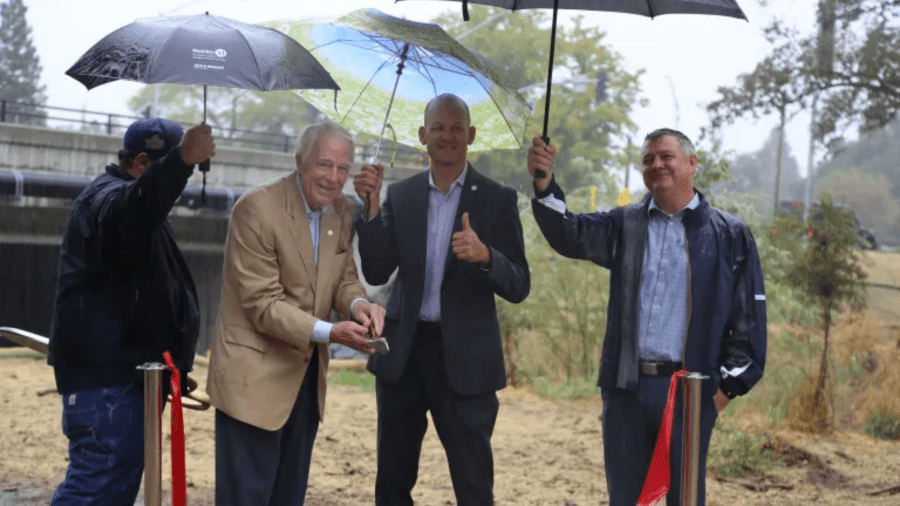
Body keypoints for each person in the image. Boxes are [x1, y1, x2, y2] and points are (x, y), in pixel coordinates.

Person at [527, 128, 767, 506]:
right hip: (626, 387)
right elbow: (569, 233)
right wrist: (545, 184)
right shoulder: (626, 224)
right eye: (648, 159)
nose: (657, 165)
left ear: (692, 163)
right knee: (626, 498)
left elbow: (750, 322)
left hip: (690, 391)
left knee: (684, 499)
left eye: (666, 156)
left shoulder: (729, 234)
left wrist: (720, 394)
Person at [353, 93, 530, 506]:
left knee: (473, 485)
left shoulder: (497, 198)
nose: (446, 136)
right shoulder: (401, 195)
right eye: (438, 128)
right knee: (392, 484)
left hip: (467, 365)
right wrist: (371, 207)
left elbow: (520, 284)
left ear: (470, 135)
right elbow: (377, 271)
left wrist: (487, 256)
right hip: (404, 357)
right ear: (422, 136)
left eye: (455, 129)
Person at [206, 121, 386, 506]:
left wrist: (359, 306)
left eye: (343, 168)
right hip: (252, 385)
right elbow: (263, 305)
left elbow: (343, 280)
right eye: (324, 165)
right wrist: (333, 333)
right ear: (299, 161)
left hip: (303, 386)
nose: (334, 178)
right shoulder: (255, 209)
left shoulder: (342, 211)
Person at [47, 117, 216, 505]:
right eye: (171, 168)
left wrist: (168, 363)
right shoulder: (109, 200)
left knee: (110, 490)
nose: (182, 183)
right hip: (111, 384)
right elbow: (135, 206)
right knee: (96, 491)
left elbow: (147, 294)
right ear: (142, 163)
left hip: (127, 379)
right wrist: (181, 161)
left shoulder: (126, 211)